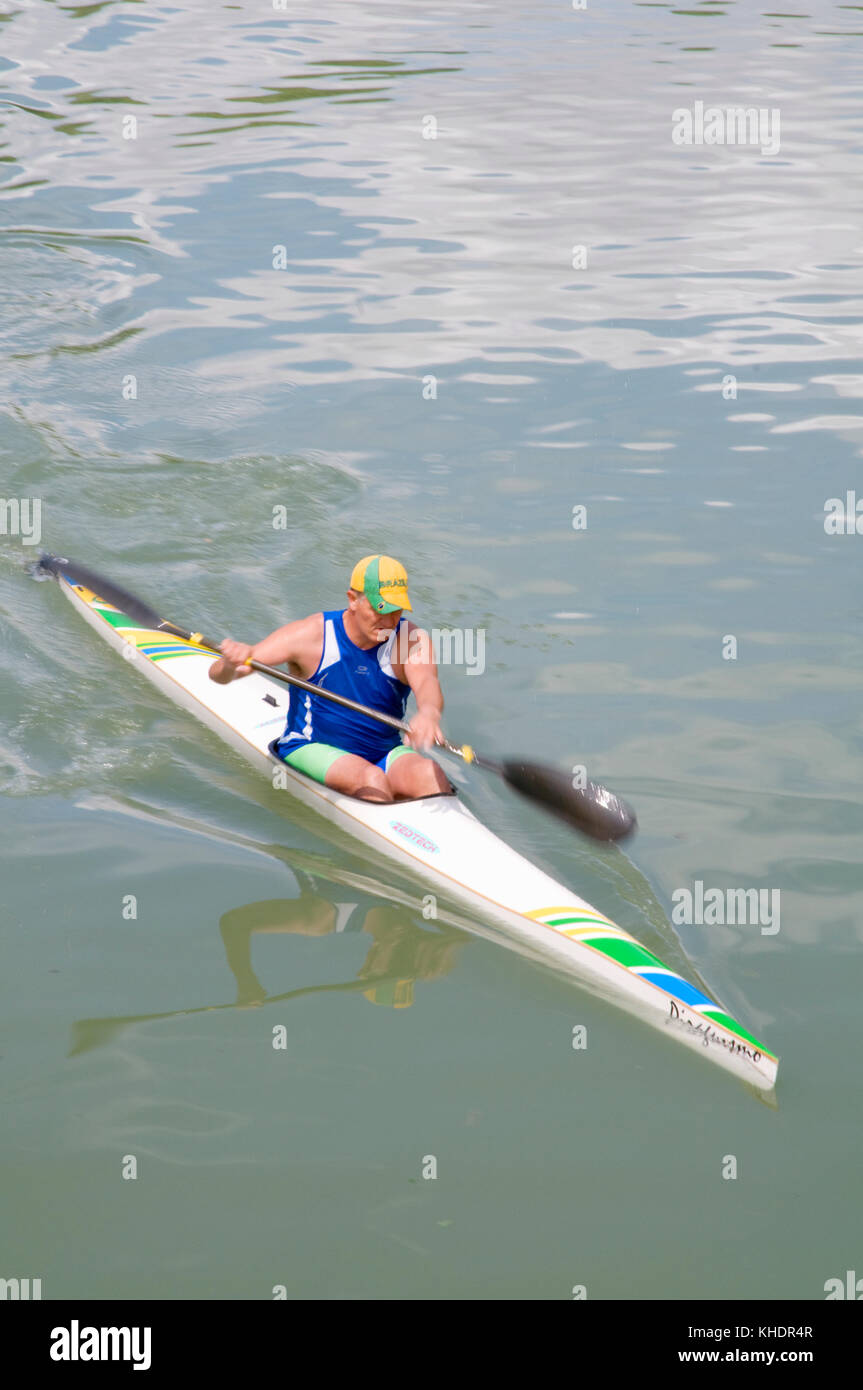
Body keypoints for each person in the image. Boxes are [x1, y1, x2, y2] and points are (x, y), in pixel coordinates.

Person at [207, 554, 452, 803]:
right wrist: (229, 663)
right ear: (353, 600)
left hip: (383, 752)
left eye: (395, 610)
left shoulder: (409, 639)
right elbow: (219, 675)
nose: (388, 621)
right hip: (311, 746)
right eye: (379, 609)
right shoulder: (311, 635)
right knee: (372, 782)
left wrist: (429, 713)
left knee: (431, 775)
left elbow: (426, 682)